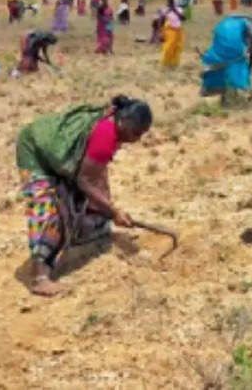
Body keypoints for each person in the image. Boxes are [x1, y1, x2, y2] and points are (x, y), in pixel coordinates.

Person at [15, 96, 152, 296]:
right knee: (46, 208)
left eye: (142, 135)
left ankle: (82, 237)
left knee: (80, 199)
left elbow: (98, 172)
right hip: (34, 149)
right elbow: (85, 181)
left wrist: (107, 208)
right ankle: (39, 277)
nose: (137, 139)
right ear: (123, 121)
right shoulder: (106, 135)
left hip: (54, 153)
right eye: (136, 133)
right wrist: (113, 211)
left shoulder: (113, 126)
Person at [200, 15, 252, 106]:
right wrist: (249, 67)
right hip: (233, 48)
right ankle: (241, 96)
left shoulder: (228, 22)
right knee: (238, 65)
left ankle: (223, 95)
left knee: (224, 65)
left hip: (218, 46)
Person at [160, 0, 184, 67]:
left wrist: (174, 10)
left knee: (177, 47)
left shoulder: (179, 9)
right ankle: (165, 62)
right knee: (168, 46)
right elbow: (161, 21)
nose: (169, 3)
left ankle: (174, 63)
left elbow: (183, 18)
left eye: (171, 2)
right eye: (169, 2)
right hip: (169, 30)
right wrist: (160, 33)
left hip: (178, 31)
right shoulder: (165, 10)